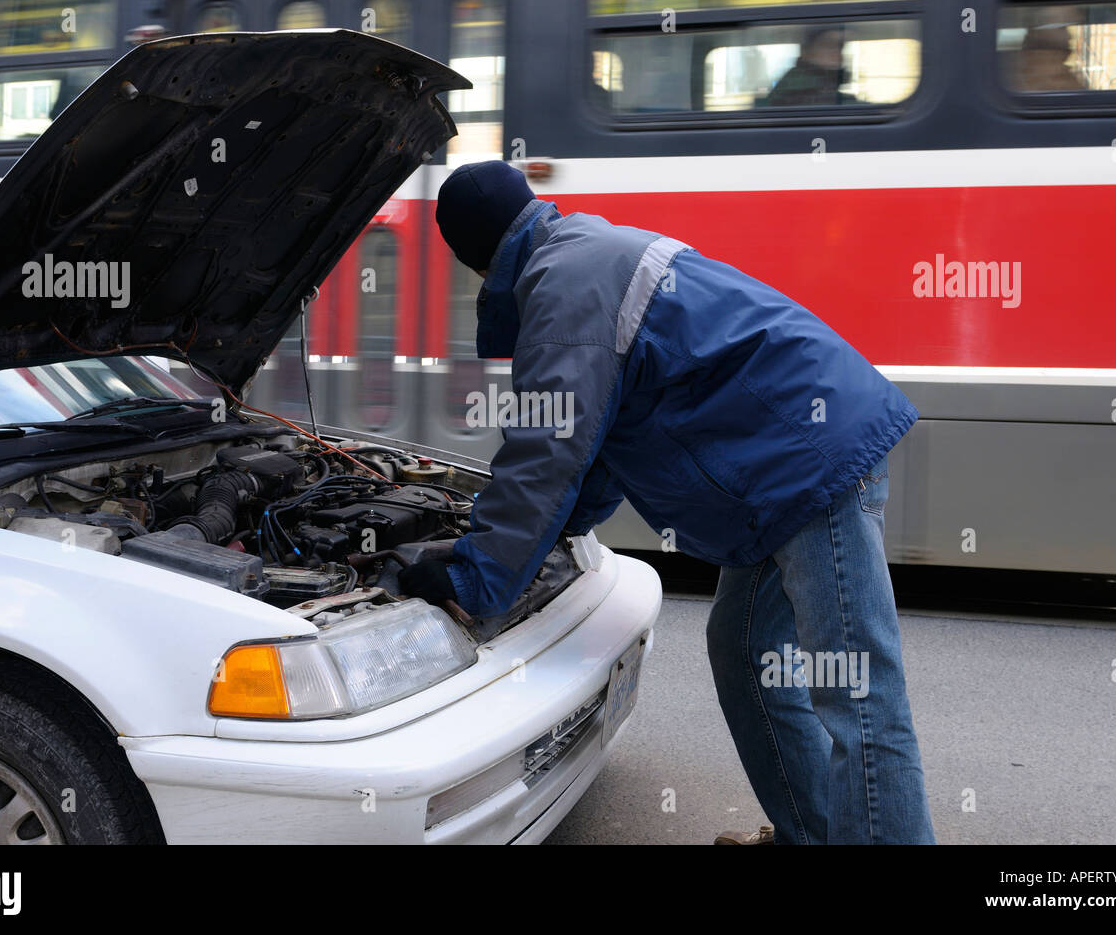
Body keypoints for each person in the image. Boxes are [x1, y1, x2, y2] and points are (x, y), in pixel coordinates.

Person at [399, 159, 936, 845]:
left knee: (857, 693)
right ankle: (817, 833)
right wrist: (536, 541)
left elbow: (547, 452)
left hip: (811, 467)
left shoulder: (563, 289)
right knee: (744, 652)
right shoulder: (579, 253)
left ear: (470, 257)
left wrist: (477, 575)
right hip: (783, 470)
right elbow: (596, 453)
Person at [761, 26, 857, 107]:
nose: (837, 54)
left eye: (840, 47)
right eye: (828, 45)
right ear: (806, 51)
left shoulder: (825, 86)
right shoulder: (799, 88)